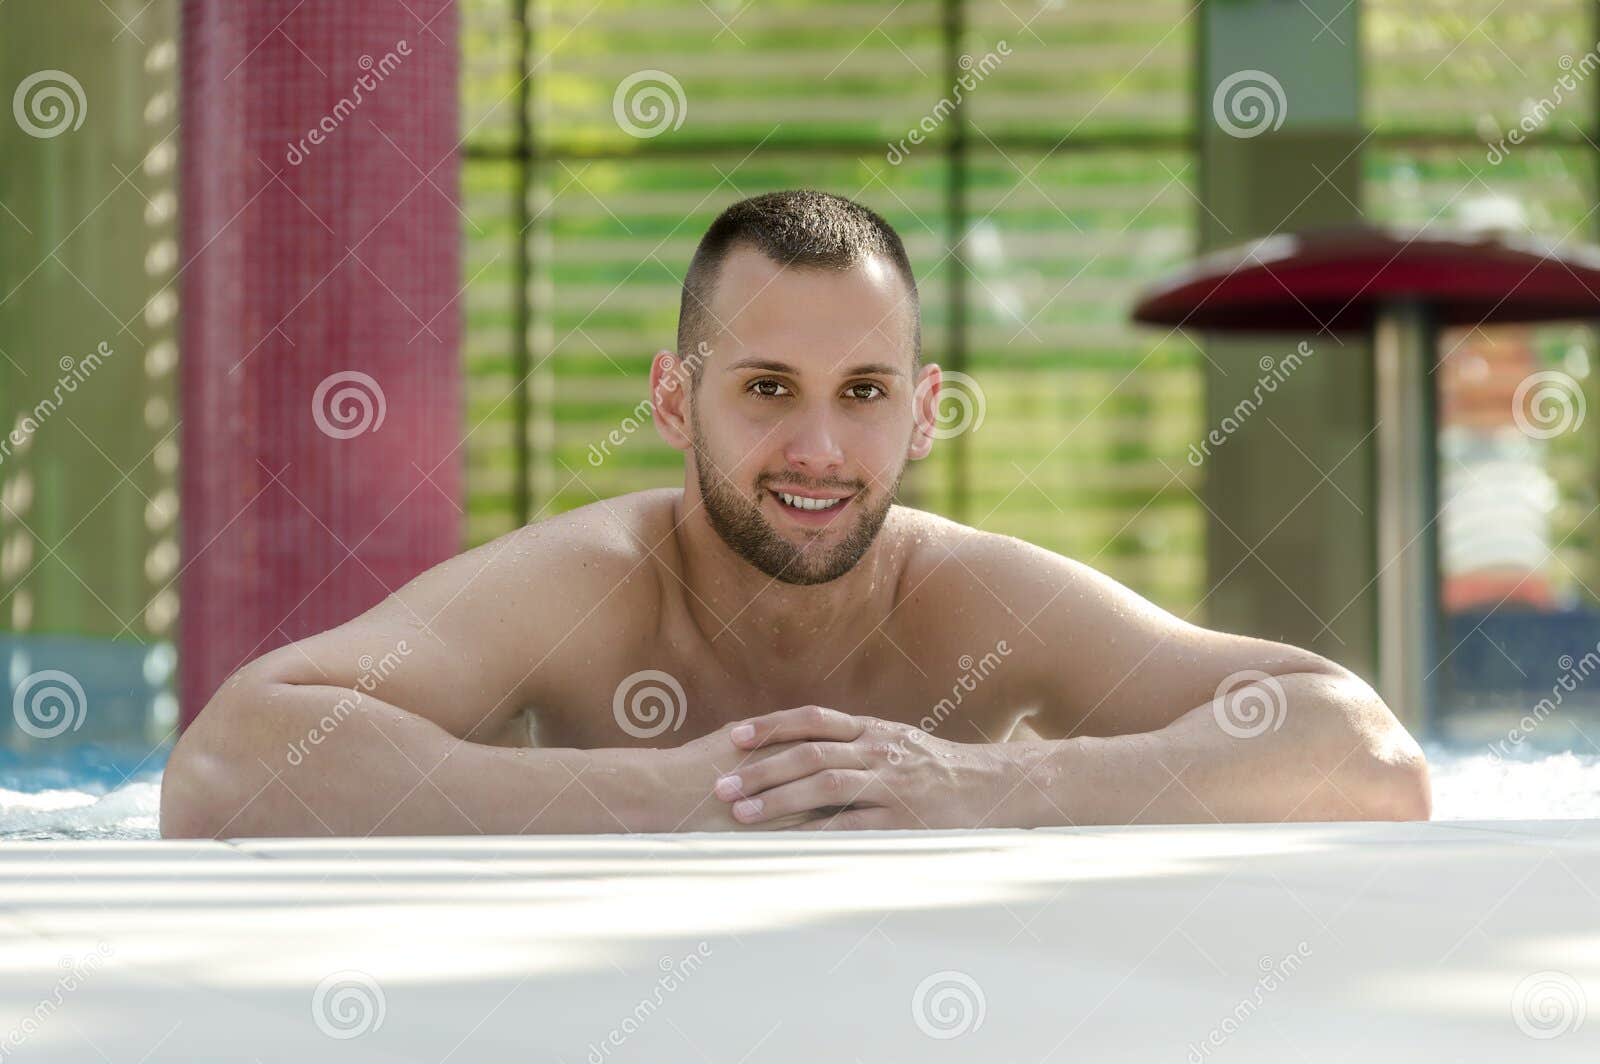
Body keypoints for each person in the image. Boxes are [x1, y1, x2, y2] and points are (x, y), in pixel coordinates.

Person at [160, 190, 1429, 839]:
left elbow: (1366, 756)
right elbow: (224, 766)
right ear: (674, 397)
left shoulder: (977, 600)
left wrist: (995, 785)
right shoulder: (595, 588)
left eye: (863, 393)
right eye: (766, 388)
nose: (817, 450)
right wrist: (661, 797)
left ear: (924, 410)